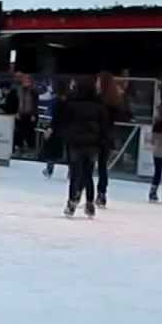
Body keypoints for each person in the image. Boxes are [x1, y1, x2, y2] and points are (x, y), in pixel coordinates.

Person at [61, 77, 111, 219]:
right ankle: (89, 203)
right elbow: (104, 127)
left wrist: (68, 138)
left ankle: (71, 202)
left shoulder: (72, 105)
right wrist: (103, 142)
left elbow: (65, 123)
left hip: (76, 143)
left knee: (75, 174)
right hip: (92, 144)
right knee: (88, 174)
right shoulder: (99, 106)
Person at [94, 72, 130, 207]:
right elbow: (125, 115)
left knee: (93, 164)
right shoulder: (114, 101)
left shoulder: (99, 100)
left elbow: (125, 115)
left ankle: (89, 191)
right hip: (106, 136)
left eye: (98, 81)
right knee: (102, 166)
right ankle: (101, 193)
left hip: (97, 135)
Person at [39, 83, 68, 178]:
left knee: (52, 150)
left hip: (58, 129)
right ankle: (71, 172)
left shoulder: (58, 103)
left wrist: (50, 128)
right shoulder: (67, 102)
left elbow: (56, 117)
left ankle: (49, 169)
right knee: (67, 150)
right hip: (66, 128)